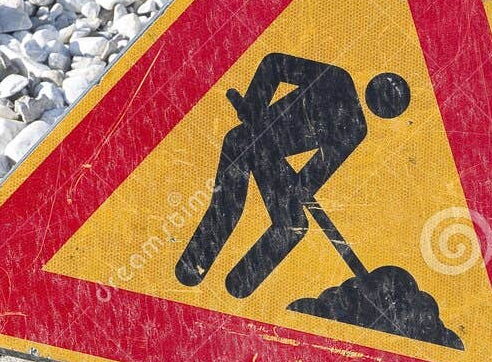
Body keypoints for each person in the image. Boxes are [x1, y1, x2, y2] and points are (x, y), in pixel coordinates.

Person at [175, 53, 410, 298]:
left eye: (391, 103)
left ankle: (237, 287)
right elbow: (274, 64)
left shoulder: (356, 128)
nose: (384, 102)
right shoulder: (336, 79)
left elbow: (313, 175)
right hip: (243, 142)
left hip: (270, 158)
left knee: (292, 224)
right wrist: (255, 107)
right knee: (228, 206)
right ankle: (191, 267)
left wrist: (296, 186)